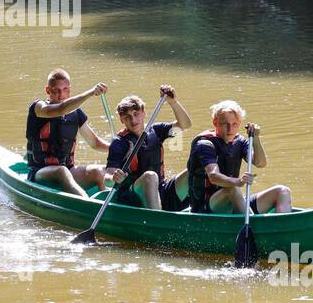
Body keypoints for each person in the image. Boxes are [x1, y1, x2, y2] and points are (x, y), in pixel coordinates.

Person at [186, 100, 292, 215]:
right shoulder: (205, 144)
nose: (230, 129)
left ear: (240, 123)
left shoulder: (240, 141)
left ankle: (281, 227)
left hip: (233, 198)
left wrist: (255, 137)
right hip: (206, 206)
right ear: (215, 122)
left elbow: (260, 163)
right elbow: (213, 176)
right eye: (224, 124)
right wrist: (239, 181)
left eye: (234, 124)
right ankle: (254, 225)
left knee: (282, 191)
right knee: (233, 188)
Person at [26, 69, 111, 198]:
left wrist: (119, 149)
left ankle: (108, 203)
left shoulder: (76, 113)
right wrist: (91, 93)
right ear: (48, 90)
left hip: (68, 170)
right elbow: (61, 109)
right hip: (40, 172)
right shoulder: (39, 108)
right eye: (56, 90)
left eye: (65, 89)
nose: (61, 95)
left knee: (98, 171)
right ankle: (87, 204)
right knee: (61, 171)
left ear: (69, 90)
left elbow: (95, 143)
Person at [105, 86, 192, 211]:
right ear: (121, 120)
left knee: (193, 169)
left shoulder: (156, 130)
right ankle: (158, 219)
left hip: (161, 190)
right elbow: (107, 178)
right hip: (133, 196)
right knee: (150, 176)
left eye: (136, 114)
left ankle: (199, 209)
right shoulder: (119, 142)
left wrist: (172, 102)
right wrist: (114, 178)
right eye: (127, 117)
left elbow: (185, 124)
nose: (133, 120)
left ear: (144, 113)